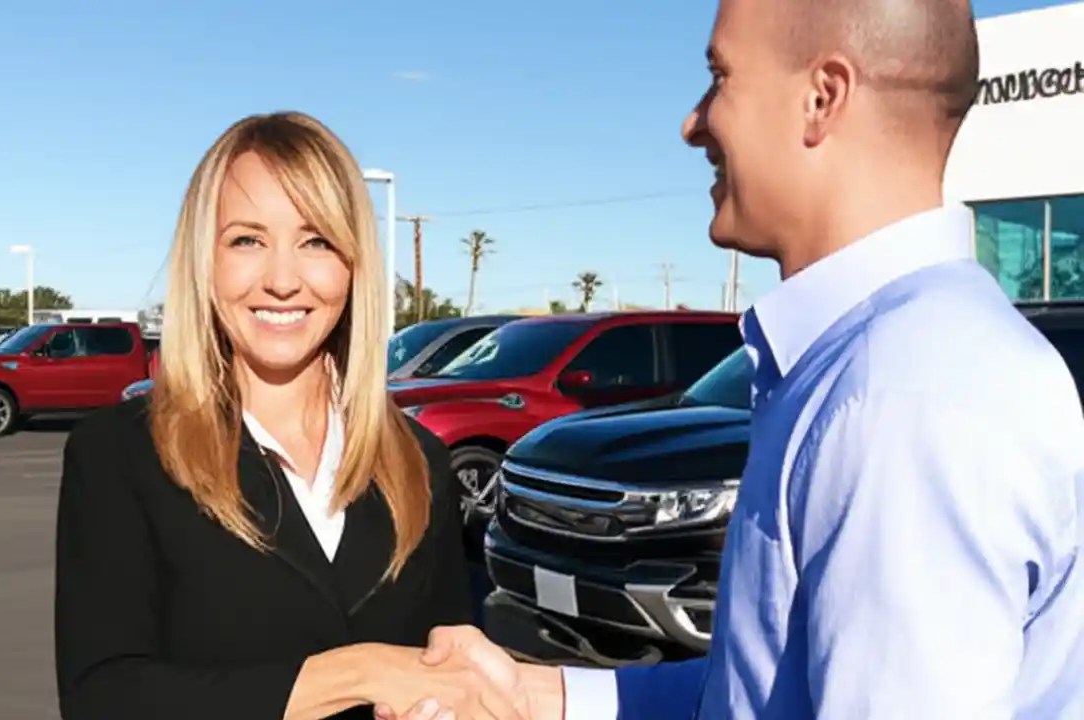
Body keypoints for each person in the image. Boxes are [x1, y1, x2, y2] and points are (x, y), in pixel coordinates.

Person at [396, 0, 1084, 717]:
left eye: (718, 77)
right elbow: (762, 690)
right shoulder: (877, 363)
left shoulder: (905, 395)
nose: (693, 122)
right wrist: (534, 693)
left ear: (822, 98)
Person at [53, 111, 525, 720]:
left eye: (316, 241)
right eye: (247, 240)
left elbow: (446, 667)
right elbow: (103, 699)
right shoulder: (119, 454)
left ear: (353, 265)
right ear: (206, 261)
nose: (282, 279)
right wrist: (353, 673)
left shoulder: (418, 460)